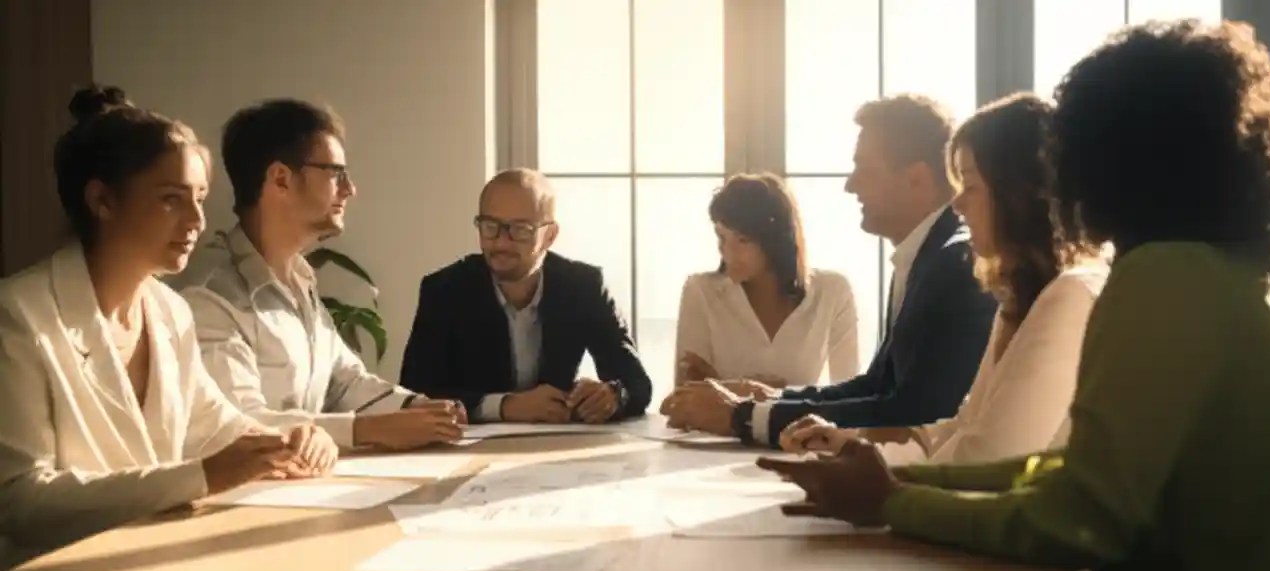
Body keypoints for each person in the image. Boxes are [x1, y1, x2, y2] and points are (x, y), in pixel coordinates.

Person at [758, 21, 1270, 571]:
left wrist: (890, 503)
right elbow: (1060, 469)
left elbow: (1083, 519)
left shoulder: (1163, 278)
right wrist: (904, 477)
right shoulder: (1205, 274)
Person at [0, 86, 332, 571]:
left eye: (199, 198)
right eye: (172, 200)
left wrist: (297, 438)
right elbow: (20, 501)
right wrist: (197, 478)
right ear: (102, 200)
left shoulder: (169, 312)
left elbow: (216, 424)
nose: (197, 220)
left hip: (151, 567)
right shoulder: (21, 315)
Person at [781, 93, 1108, 466]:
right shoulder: (1019, 299)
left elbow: (992, 460)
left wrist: (880, 484)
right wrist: (851, 444)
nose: (957, 204)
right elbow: (963, 427)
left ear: (1018, 195)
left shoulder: (1069, 296)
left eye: (970, 187)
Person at [663, 94, 996, 446]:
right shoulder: (923, 258)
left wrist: (740, 416)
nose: (850, 185)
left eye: (864, 169)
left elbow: (913, 411)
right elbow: (877, 385)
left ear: (916, 179)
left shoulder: (953, 266)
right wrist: (767, 399)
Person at [169, 99, 463, 452]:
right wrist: (367, 430)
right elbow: (239, 424)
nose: (350, 189)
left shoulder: (300, 279)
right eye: (336, 173)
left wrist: (417, 408)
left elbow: (344, 381)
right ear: (281, 179)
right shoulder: (208, 298)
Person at [400, 168, 651, 423]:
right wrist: (504, 406)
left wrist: (613, 396)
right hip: (467, 449)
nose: (501, 242)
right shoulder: (445, 290)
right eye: (490, 226)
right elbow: (415, 393)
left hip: (556, 448)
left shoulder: (583, 286)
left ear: (550, 236)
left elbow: (638, 384)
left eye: (520, 229)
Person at [665, 172, 858, 393]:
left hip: (797, 428)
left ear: (774, 241)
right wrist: (761, 390)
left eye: (742, 240)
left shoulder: (832, 292)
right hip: (715, 429)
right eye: (721, 237)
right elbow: (684, 400)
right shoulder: (700, 291)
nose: (727, 250)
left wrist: (726, 388)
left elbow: (850, 397)